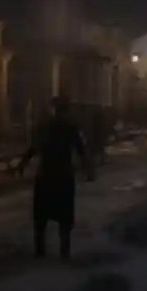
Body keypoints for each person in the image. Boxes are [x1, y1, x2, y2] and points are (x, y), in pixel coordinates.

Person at [18, 96, 88, 260]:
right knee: (65, 216)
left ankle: (40, 250)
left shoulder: (46, 127)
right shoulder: (71, 127)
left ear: (54, 109)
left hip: (46, 175)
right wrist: (88, 168)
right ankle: (64, 251)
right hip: (64, 175)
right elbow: (81, 149)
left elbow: (34, 147)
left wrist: (23, 163)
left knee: (41, 215)